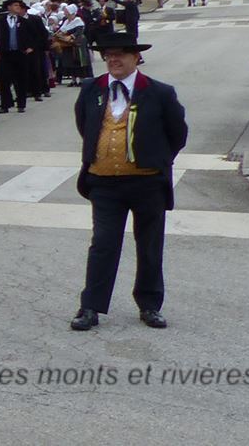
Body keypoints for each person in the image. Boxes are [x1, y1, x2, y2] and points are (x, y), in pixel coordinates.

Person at [70, 29, 189, 332]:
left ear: (136, 57)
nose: (113, 58)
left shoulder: (160, 92)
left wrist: (155, 159)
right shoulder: (91, 89)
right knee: (103, 244)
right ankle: (91, 306)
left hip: (147, 184)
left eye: (120, 53)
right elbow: (86, 126)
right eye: (108, 54)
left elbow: (177, 134)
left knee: (149, 245)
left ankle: (149, 305)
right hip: (104, 182)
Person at [0, 0, 47, 113]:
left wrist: (31, 47)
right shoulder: (0, 21)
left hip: (20, 53)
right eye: (15, 5)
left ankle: (21, 103)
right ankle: (5, 104)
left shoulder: (24, 21)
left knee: (21, 79)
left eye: (18, 6)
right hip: (6, 53)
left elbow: (36, 35)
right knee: (4, 79)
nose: (17, 7)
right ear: (9, 7)